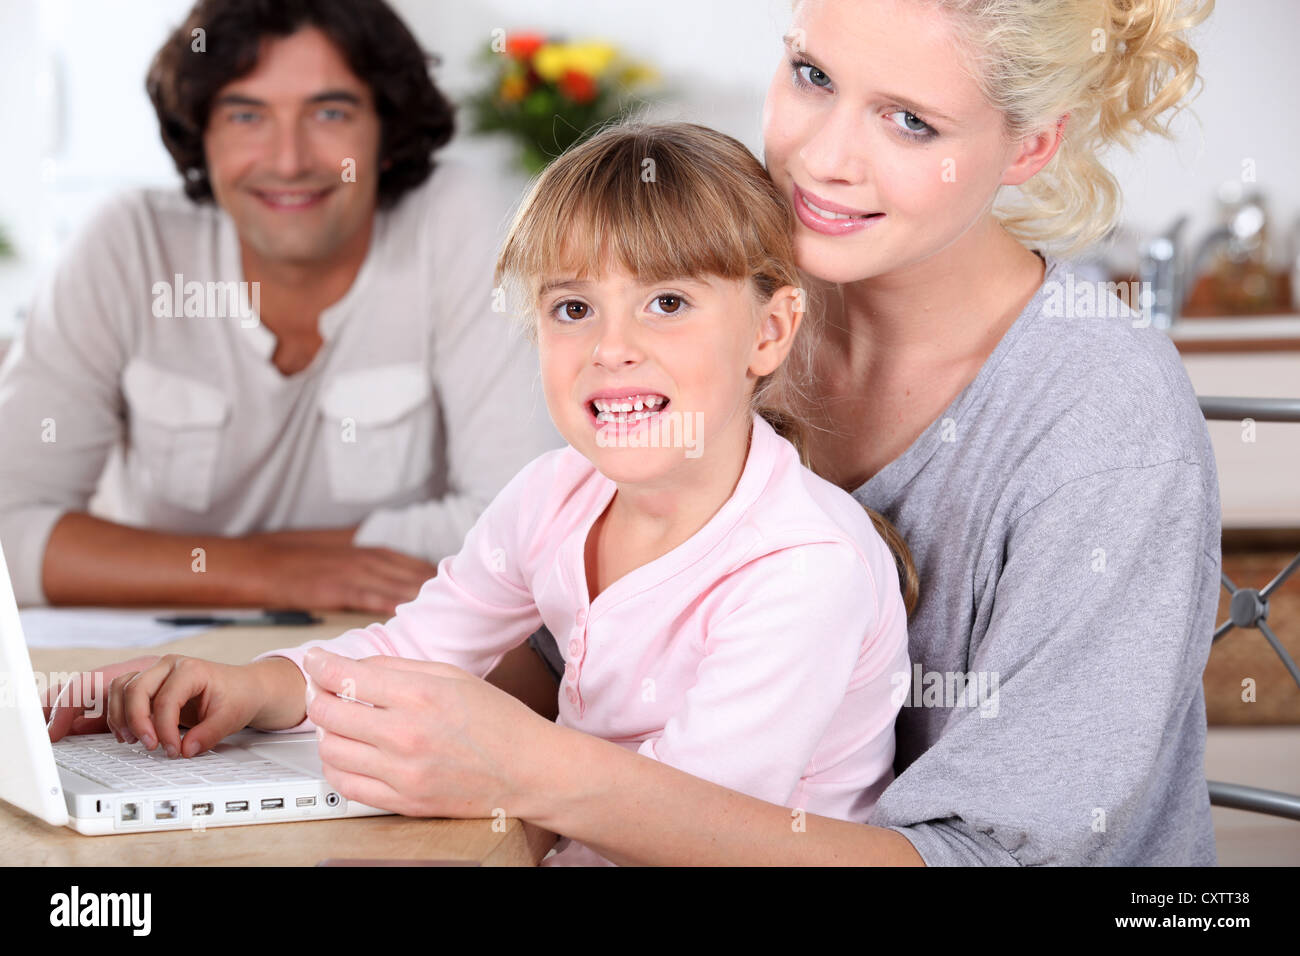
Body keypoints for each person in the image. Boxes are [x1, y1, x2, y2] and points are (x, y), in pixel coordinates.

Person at [51, 0, 1221, 867]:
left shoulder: (1101, 420)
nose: (820, 155)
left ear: (1029, 149)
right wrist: (272, 689)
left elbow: (1002, 862)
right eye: (810, 74)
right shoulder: (716, 316)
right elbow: (566, 643)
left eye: (909, 121)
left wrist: (520, 765)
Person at [53, 121, 918, 868]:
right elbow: (418, 648)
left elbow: (685, 821)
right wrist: (256, 688)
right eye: (572, 309)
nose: (612, 348)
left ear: (769, 331)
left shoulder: (802, 565)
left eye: (665, 302)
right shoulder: (554, 494)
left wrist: (503, 763)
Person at [0, 0, 559, 618]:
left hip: (387, 662)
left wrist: (164, 559)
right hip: (162, 670)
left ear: (388, 133)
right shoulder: (128, 245)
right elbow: (9, 530)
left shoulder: (457, 219)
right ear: (201, 137)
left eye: (329, 112)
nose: (289, 160)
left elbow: (522, 522)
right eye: (246, 114)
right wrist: (263, 573)